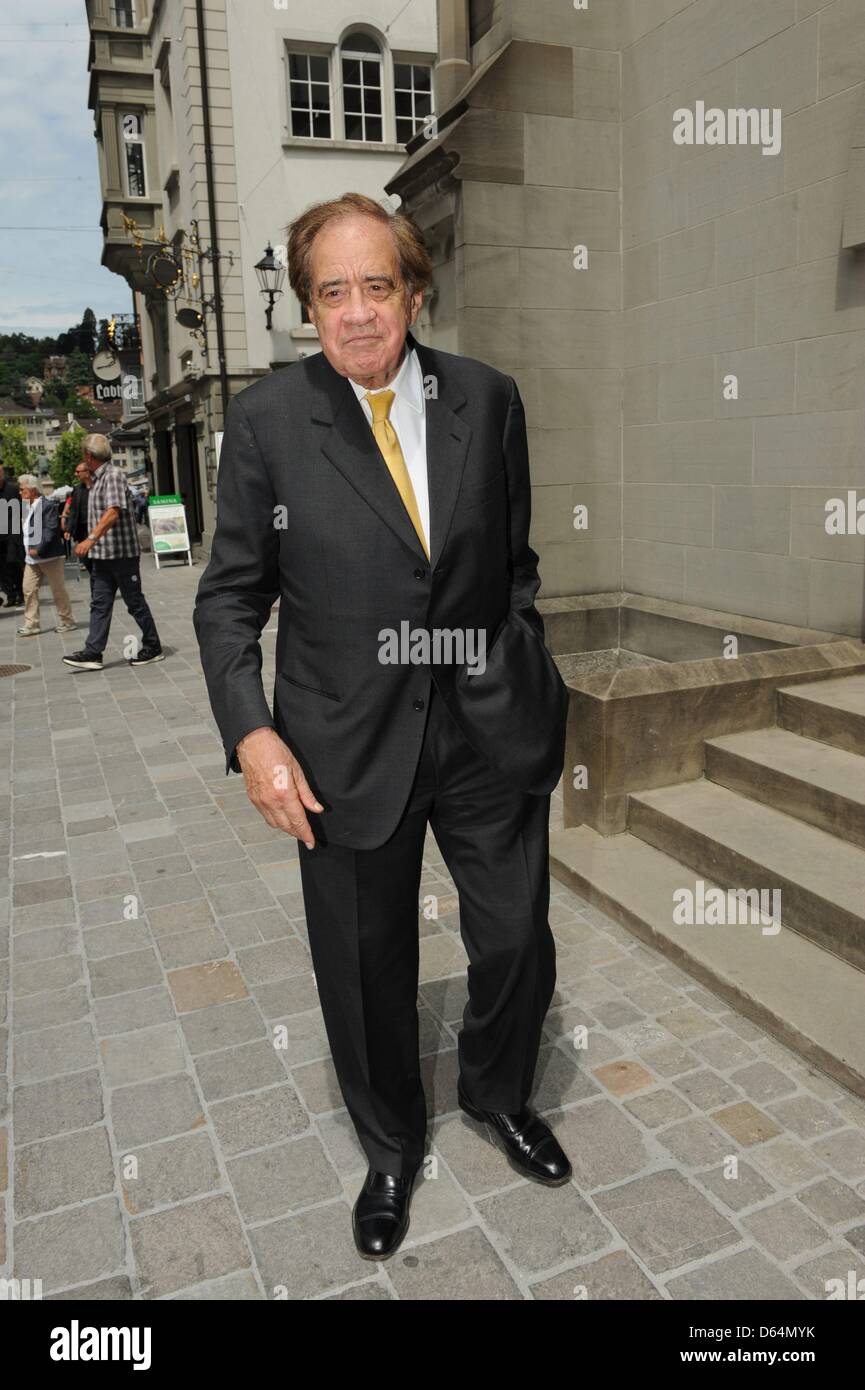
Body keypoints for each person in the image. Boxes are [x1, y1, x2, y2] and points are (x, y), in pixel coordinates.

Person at [193, 193, 570, 1262]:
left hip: (485, 727)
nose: (357, 313)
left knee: (513, 936)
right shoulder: (268, 422)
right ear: (308, 304)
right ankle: (392, 1144)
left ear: (414, 289)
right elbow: (228, 598)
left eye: (377, 286)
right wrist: (253, 734)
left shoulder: (487, 399)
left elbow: (516, 564)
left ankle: (497, 1094)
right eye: (332, 291)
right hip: (341, 743)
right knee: (364, 967)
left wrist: (519, 662)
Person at [61, 434, 164, 672]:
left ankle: (153, 645)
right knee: (99, 604)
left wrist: (90, 538)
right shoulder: (96, 479)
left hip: (121, 554)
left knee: (134, 602)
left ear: (88, 455)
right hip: (102, 556)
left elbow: (113, 512)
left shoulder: (113, 476)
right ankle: (93, 652)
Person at [16, 475, 76, 637]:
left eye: (22, 490)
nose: (20, 493)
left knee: (58, 590)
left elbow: (50, 529)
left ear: (32, 489)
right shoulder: (24, 507)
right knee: (28, 589)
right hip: (31, 559)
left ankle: (67, 621)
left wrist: (38, 548)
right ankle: (32, 624)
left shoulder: (47, 505)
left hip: (49, 556)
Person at [62, 461, 94, 573]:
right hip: (82, 532)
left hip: (96, 530)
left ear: (87, 472)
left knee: (98, 562)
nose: (76, 474)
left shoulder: (97, 487)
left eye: (78, 472)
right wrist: (68, 528)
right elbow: (73, 511)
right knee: (87, 561)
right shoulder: (77, 489)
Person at [0, 463, 25, 608]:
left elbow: (25, 509)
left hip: (12, 533)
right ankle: (10, 595)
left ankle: (21, 593)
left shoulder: (13, 489)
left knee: (13, 563)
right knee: (1, 568)